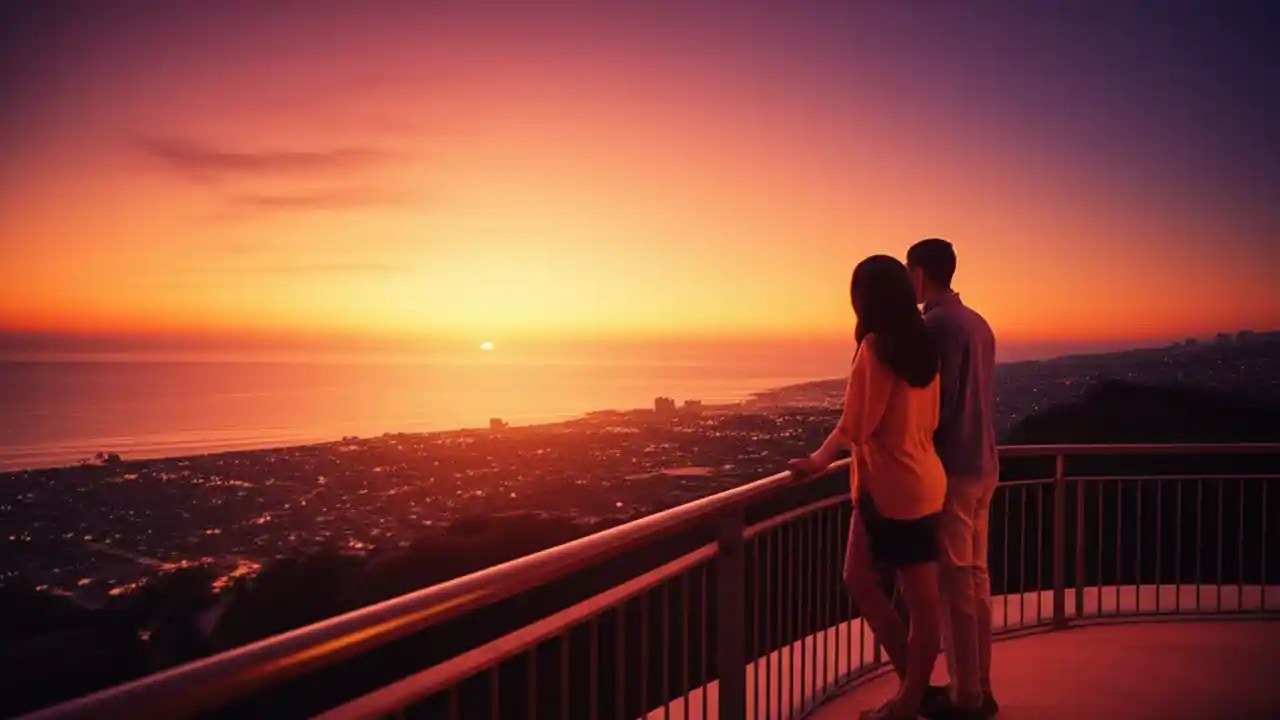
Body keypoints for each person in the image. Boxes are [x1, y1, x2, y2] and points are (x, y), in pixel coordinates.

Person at [789, 255, 946, 720]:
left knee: (916, 600)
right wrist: (821, 458)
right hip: (917, 479)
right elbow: (925, 420)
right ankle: (915, 691)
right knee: (871, 583)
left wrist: (820, 457)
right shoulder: (922, 344)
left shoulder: (877, 348)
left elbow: (857, 425)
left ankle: (909, 701)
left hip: (893, 488)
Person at [906, 238, 1000, 719]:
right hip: (984, 463)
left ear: (919, 273)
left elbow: (932, 406)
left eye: (909, 272)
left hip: (954, 468)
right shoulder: (978, 324)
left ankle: (965, 696)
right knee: (977, 580)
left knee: (955, 585)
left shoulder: (935, 326)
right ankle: (979, 683)